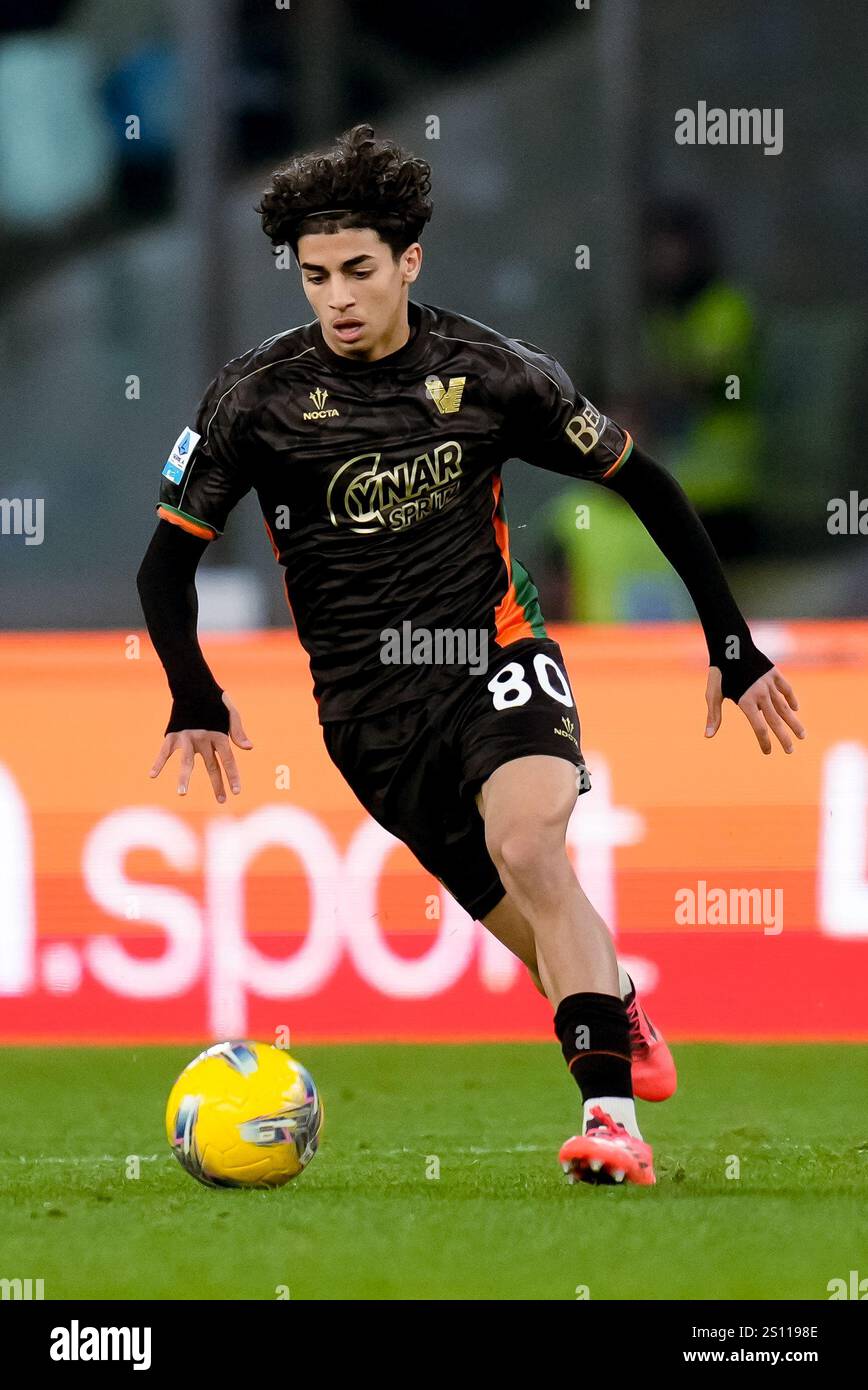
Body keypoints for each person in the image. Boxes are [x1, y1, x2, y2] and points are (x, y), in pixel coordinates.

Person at [137, 124, 805, 1189]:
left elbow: (649, 487)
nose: (338, 298)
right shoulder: (255, 402)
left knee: (535, 847)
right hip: (369, 721)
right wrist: (195, 694)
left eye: (359, 270)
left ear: (409, 260)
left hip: (495, 656)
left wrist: (730, 644)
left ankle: (610, 1125)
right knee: (546, 940)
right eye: (316, 277)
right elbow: (163, 570)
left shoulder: (492, 376)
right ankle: (615, 1007)